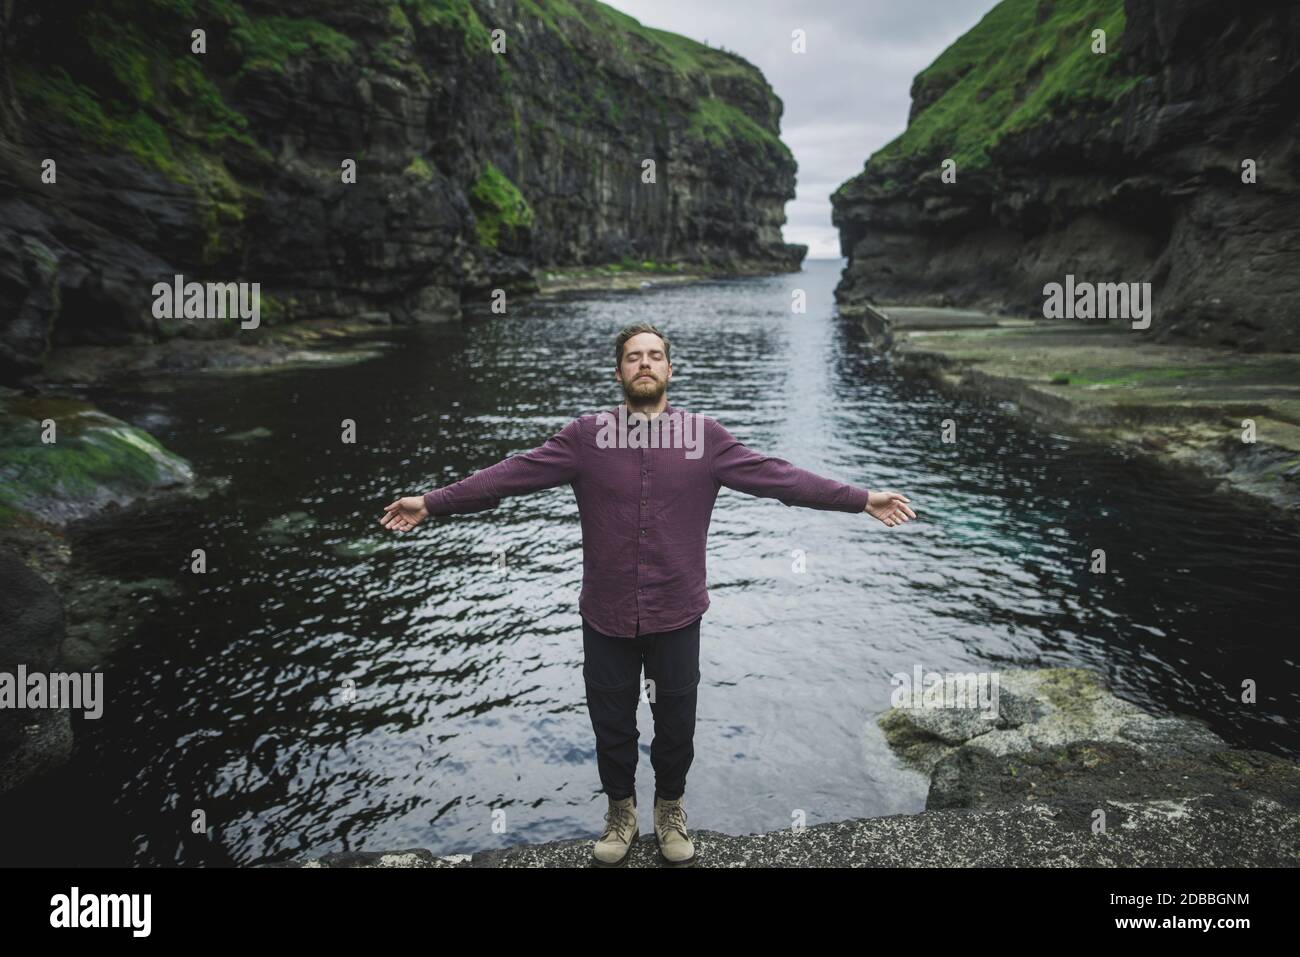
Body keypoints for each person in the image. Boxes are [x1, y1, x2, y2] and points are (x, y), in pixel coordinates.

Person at [379, 323, 916, 867]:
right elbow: (512, 475)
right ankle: (620, 812)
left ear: (669, 370)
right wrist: (432, 502)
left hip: (677, 613)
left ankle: (670, 809)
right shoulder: (585, 438)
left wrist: (860, 499)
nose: (644, 364)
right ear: (619, 372)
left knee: (676, 723)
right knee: (611, 723)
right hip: (606, 614)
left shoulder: (706, 439)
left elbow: (778, 478)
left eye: (654, 356)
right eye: (633, 357)